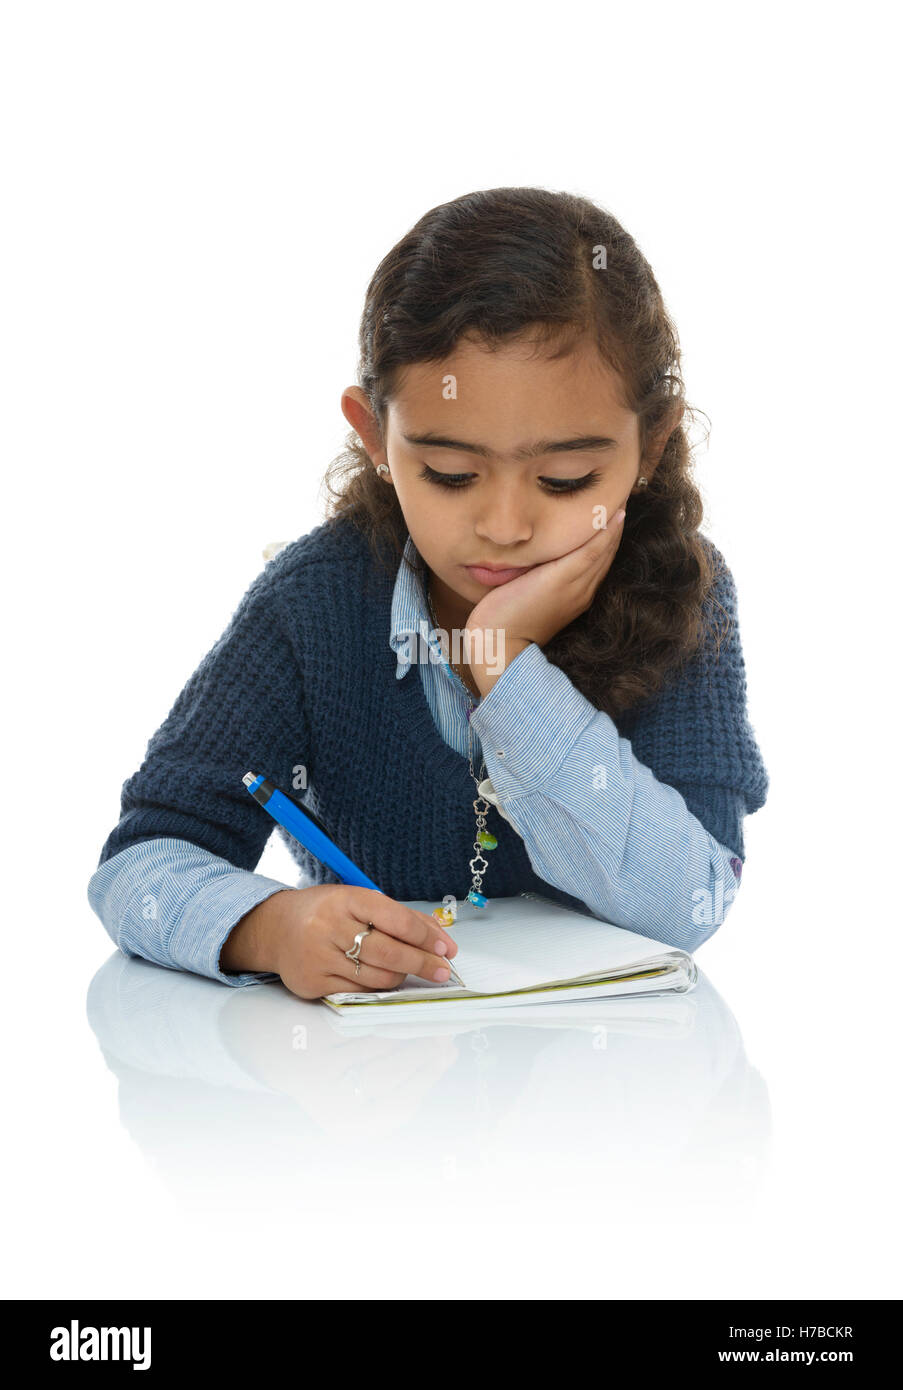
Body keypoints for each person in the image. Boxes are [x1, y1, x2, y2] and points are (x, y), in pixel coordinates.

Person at [88, 186, 769, 1002]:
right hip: (380, 1093)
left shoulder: (681, 592)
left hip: (607, 1096)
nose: (505, 525)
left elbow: (690, 902)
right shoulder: (315, 604)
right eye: (449, 474)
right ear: (375, 436)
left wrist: (507, 666)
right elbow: (141, 862)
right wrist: (270, 926)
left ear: (651, 443)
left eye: (564, 479)